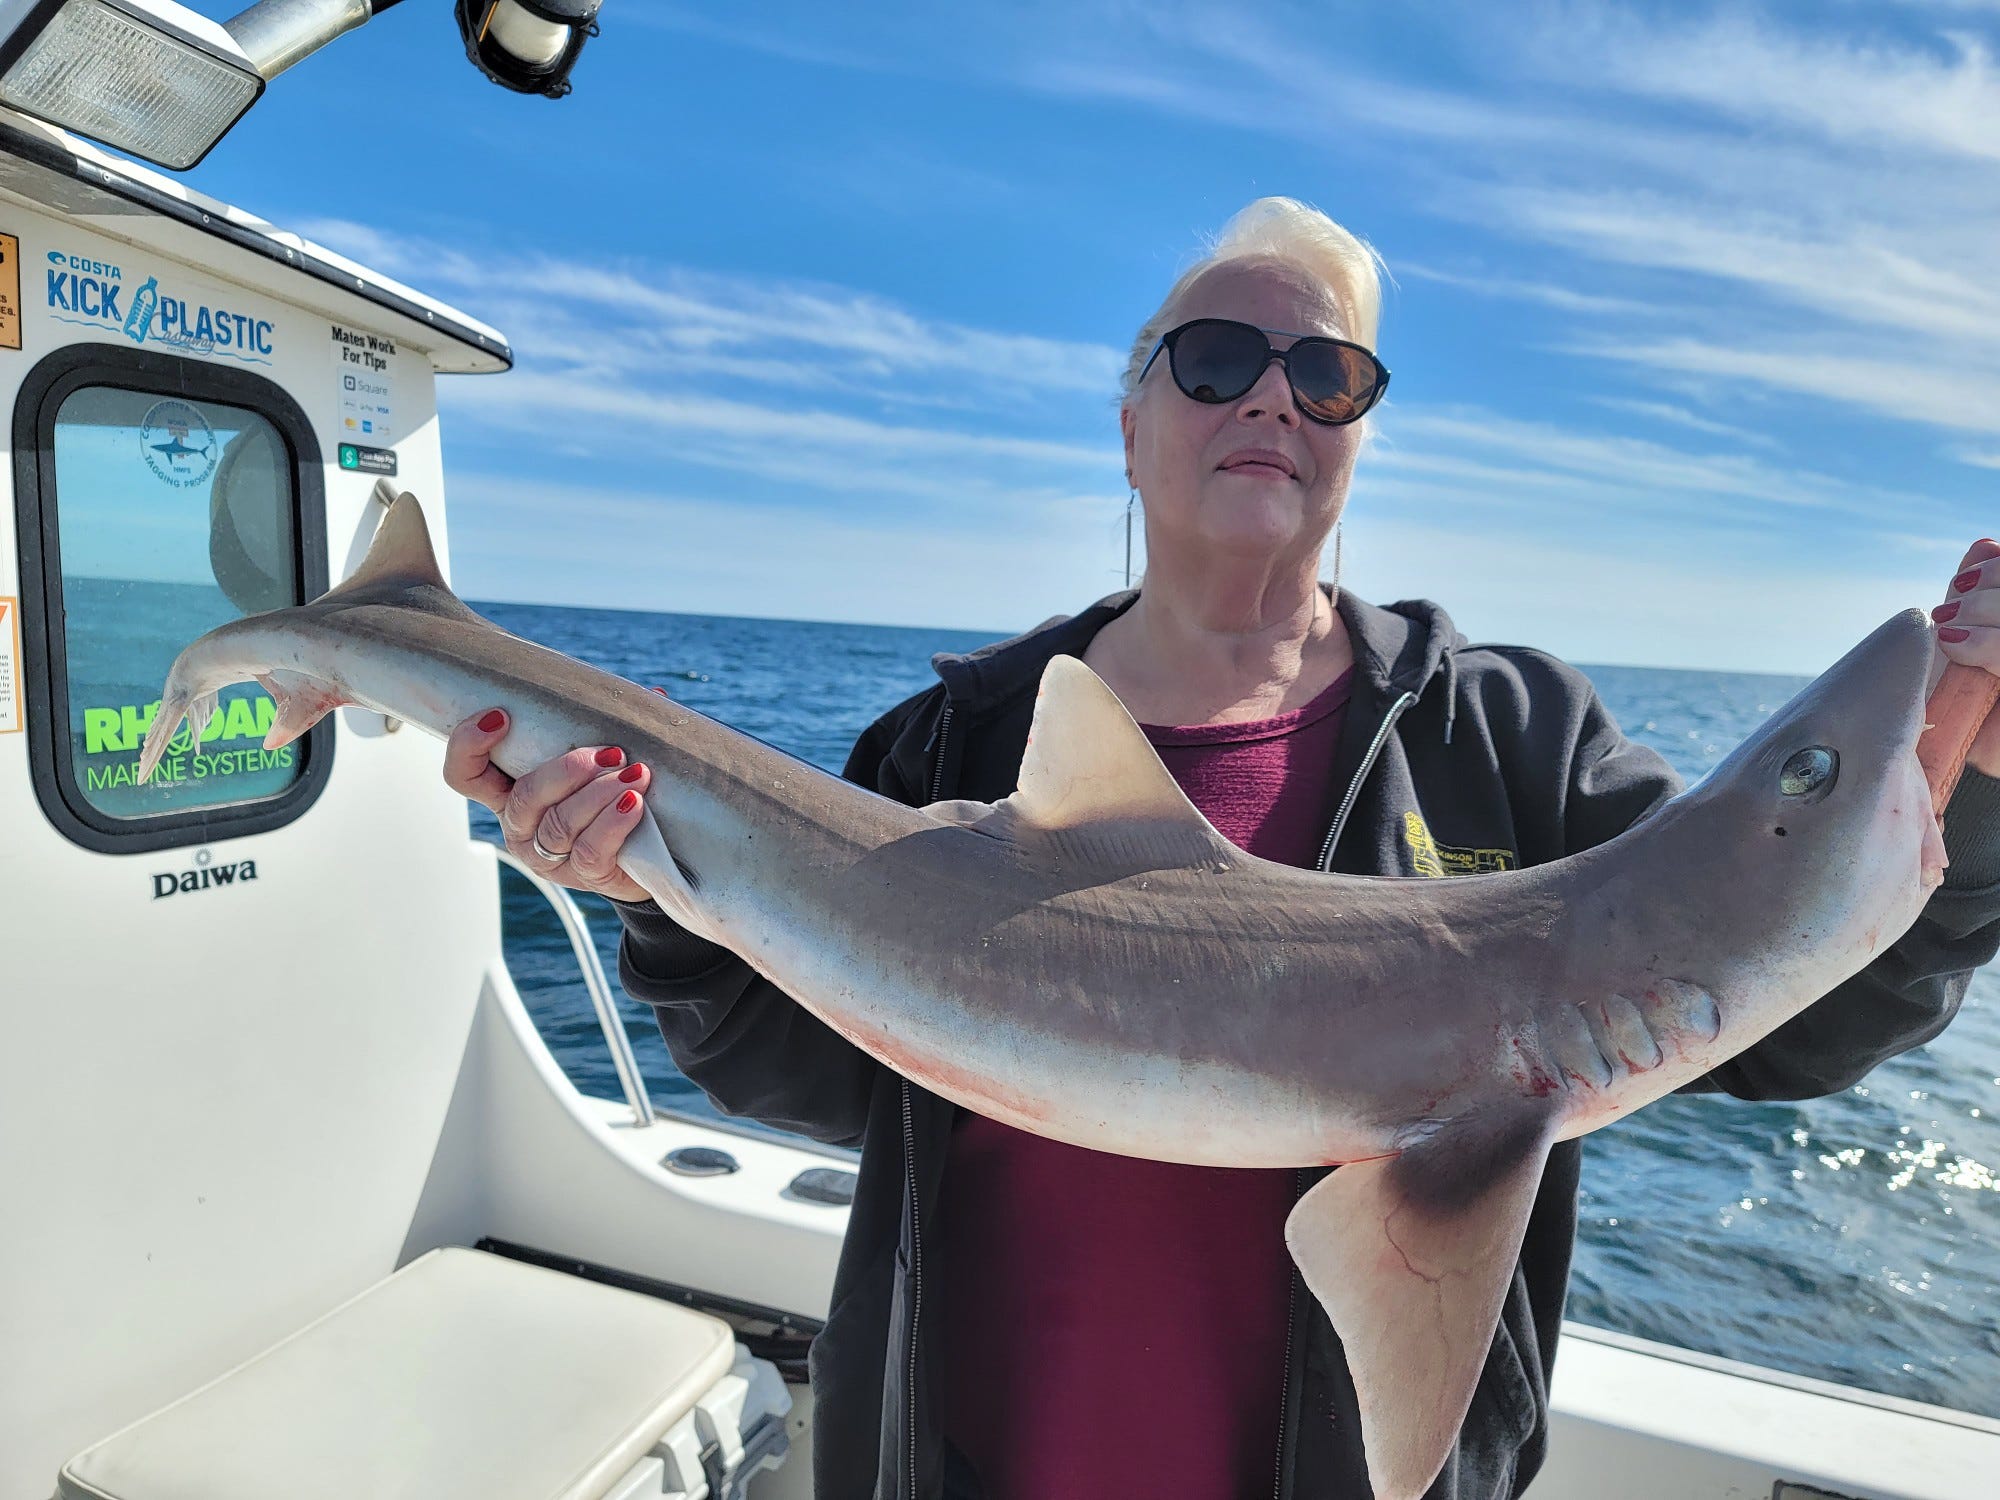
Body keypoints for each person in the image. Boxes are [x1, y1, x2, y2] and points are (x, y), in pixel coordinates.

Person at [443, 198, 2000, 1500]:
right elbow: (817, 1078)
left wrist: (1976, 786)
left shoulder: (1507, 736)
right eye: (1216, 358)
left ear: (1360, 439)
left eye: (1326, 375)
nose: (1271, 397)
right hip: (964, 1456)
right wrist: (648, 897)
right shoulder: (954, 746)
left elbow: (1792, 1011)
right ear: (1129, 428)